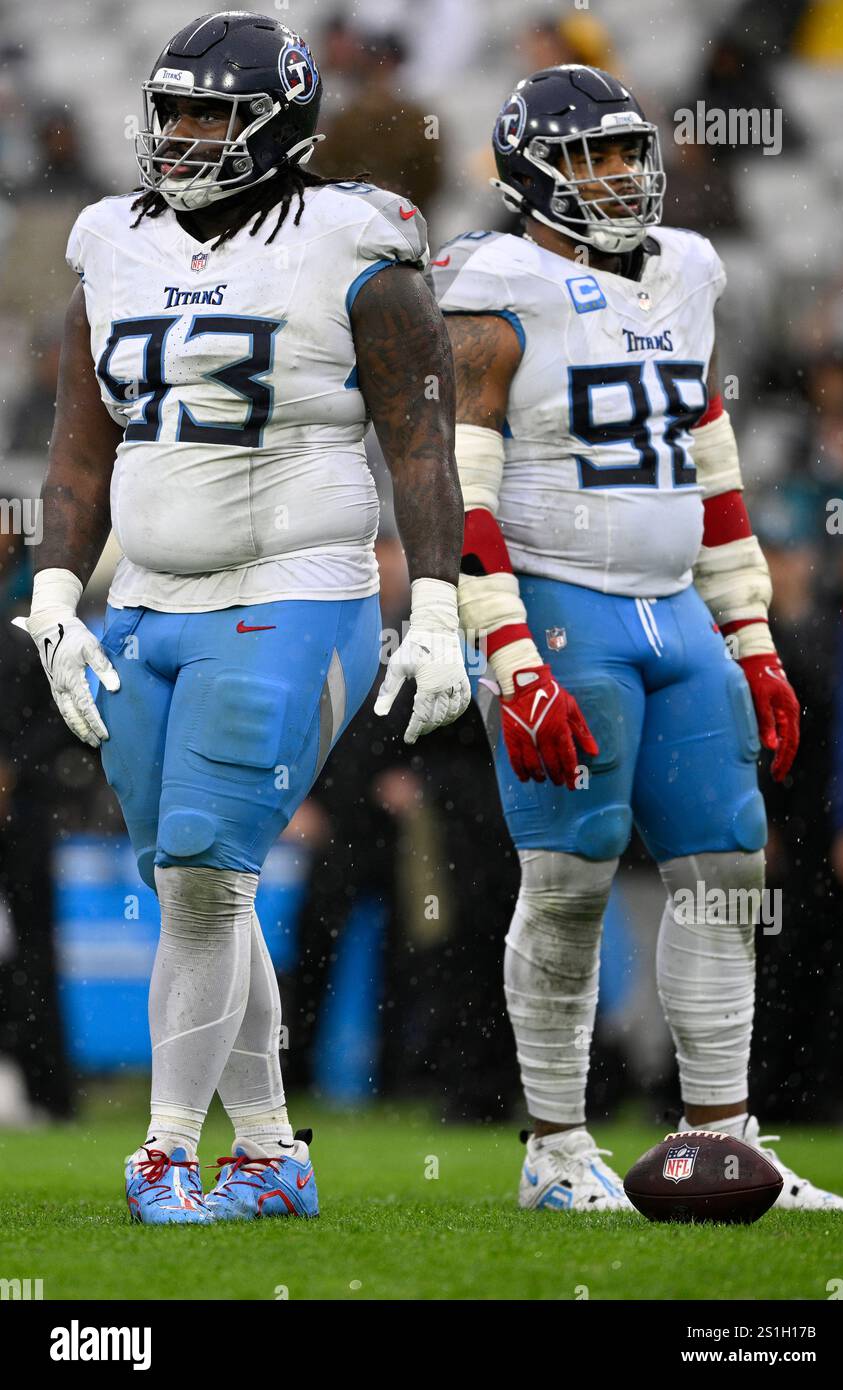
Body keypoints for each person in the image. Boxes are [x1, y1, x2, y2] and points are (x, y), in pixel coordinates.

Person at [15, 11, 469, 1225]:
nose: (185, 136)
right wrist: (56, 592)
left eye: (213, 113)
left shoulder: (351, 240)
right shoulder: (110, 242)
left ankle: (167, 1150)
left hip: (298, 590)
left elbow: (420, 444)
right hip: (150, 598)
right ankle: (270, 1151)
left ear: (280, 121)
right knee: (182, 886)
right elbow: (77, 447)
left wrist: (436, 604)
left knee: (210, 879)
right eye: (174, 111)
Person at [429, 64, 843, 1212]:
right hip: (562, 604)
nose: (614, 176)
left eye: (625, 152)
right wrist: (509, 657)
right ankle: (556, 1149)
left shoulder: (684, 272)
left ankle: (723, 1133)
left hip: (674, 606)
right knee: (566, 880)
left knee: (722, 872)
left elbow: (707, 461)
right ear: (525, 174)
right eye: (585, 158)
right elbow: (457, 494)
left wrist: (750, 633)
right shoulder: (494, 283)